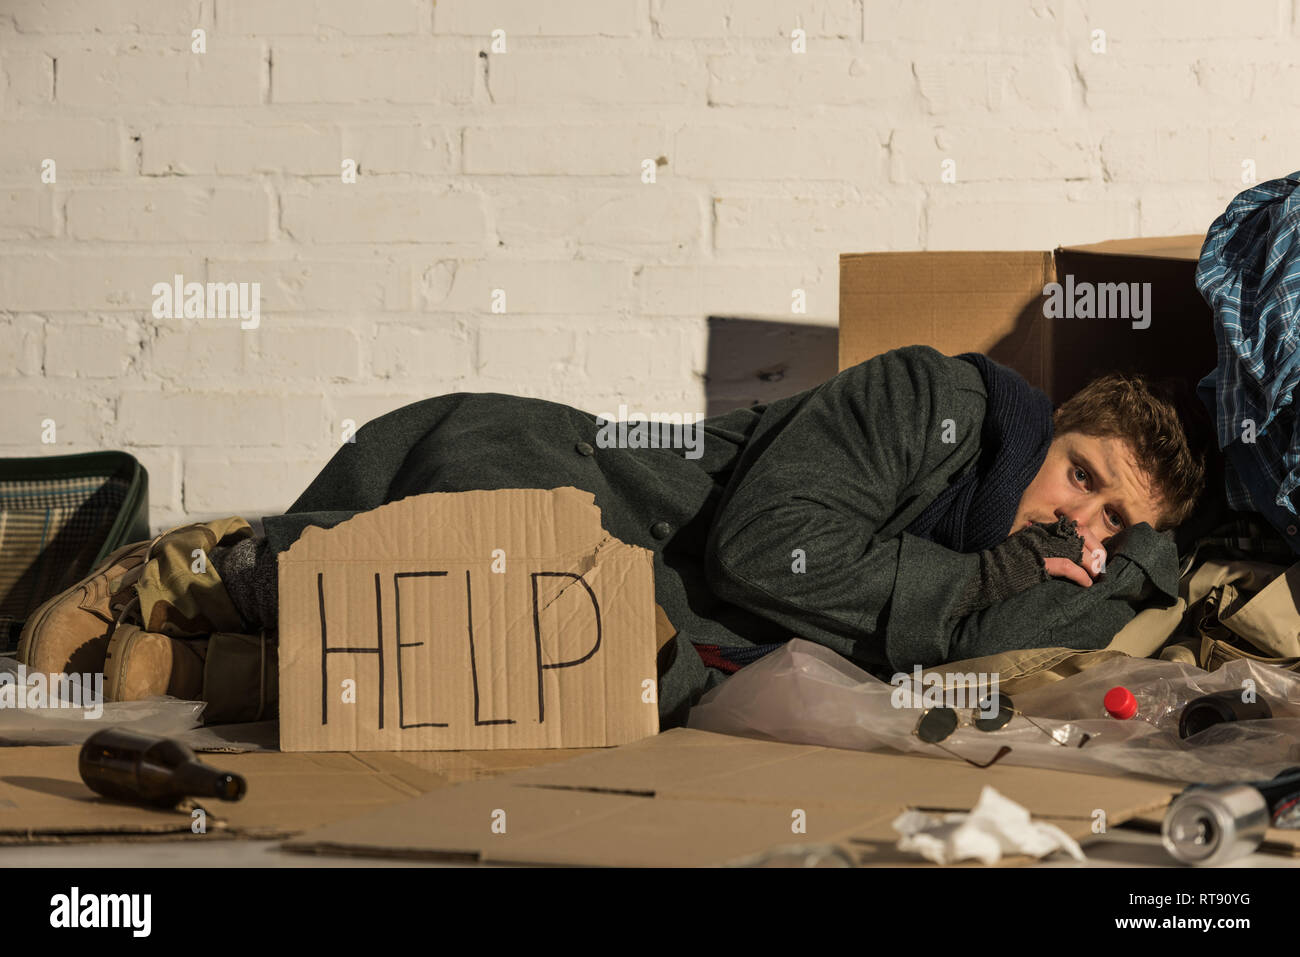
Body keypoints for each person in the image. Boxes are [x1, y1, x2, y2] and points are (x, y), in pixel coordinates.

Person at [21, 344, 1207, 729]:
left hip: (653, 644)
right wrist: (980, 578)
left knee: (563, 691)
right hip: (595, 502)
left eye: (1114, 525)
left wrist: (1147, 561)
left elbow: (993, 649)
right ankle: (201, 567)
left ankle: (206, 670)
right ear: (1047, 433)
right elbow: (762, 553)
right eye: (1081, 478)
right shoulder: (926, 403)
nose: (1080, 522)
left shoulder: (1032, 574)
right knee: (520, 593)